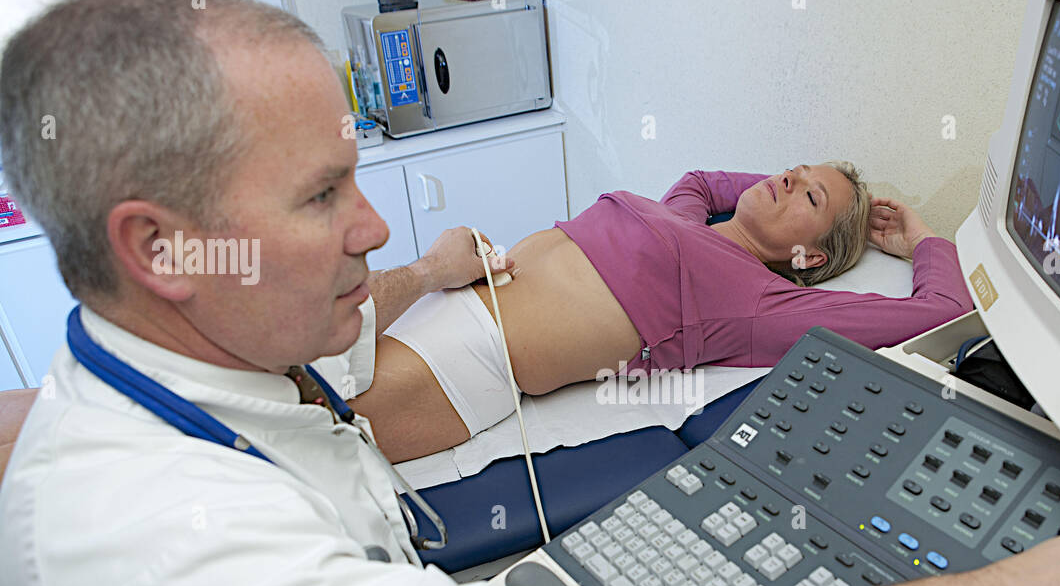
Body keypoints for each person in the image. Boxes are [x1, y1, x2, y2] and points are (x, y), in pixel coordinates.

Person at [0, 0, 1060, 586]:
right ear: (160, 248)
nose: (372, 224)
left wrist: (922, 241)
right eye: (323, 194)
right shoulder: (161, 547)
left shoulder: (232, 362)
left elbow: (912, 319)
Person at [349, 164, 971, 462]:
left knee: (285, 436)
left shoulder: (761, 300)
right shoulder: (685, 214)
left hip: (475, 357)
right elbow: (703, 181)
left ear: (808, 257)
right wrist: (788, 189)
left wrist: (923, 243)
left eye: (807, 195)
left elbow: (942, 311)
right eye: (796, 170)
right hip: (445, 292)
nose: (785, 178)